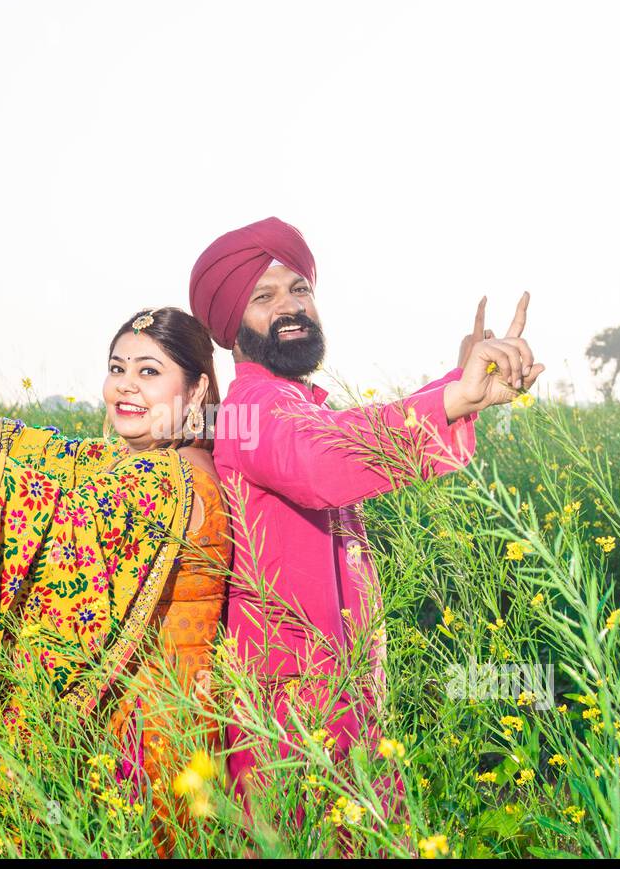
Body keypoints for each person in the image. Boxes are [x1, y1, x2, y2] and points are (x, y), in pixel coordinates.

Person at [188, 216, 545, 813]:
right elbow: (325, 461)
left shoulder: (292, 401)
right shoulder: (255, 406)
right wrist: (455, 396)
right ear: (230, 328)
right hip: (290, 722)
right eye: (264, 296)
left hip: (335, 703)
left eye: (299, 289)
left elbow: (348, 440)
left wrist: (460, 388)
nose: (291, 307)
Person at [0, 298, 230, 855]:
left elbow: (57, 518)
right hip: (118, 723)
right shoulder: (128, 461)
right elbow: (15, 442)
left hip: (150, 739)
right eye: (118, 368)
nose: (126, 386)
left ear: (196, 391)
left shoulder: (175, 480)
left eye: (150, 372)